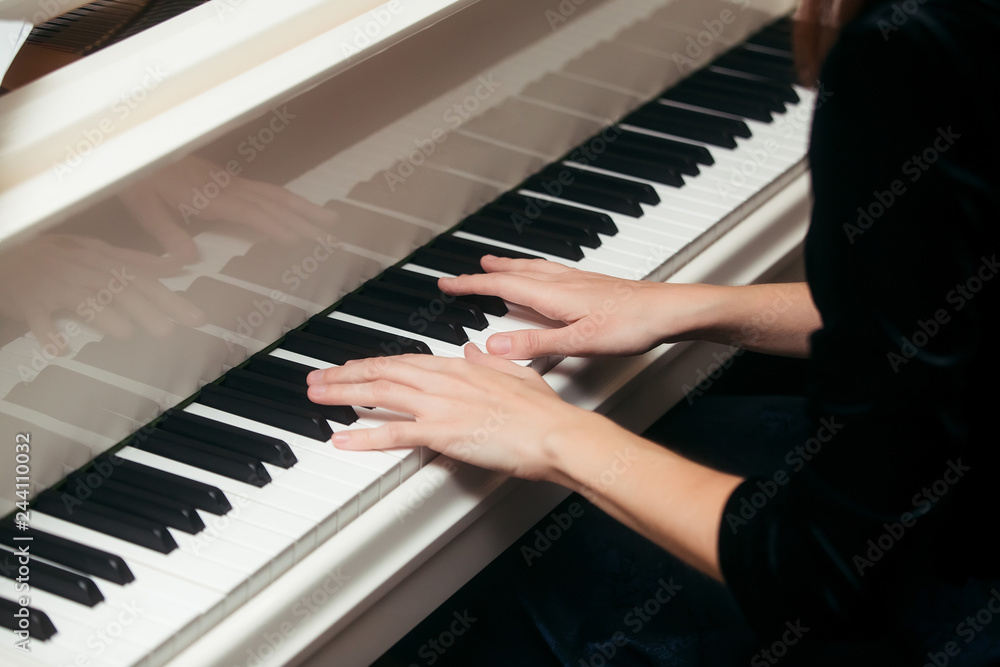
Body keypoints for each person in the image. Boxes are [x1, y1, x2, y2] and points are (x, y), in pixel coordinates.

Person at [306, 0, 1000, 663]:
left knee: (508, 575)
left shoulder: (916, 44)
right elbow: (952, 304)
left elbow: (830, 574)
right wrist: (701, 306)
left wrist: (554, 434)